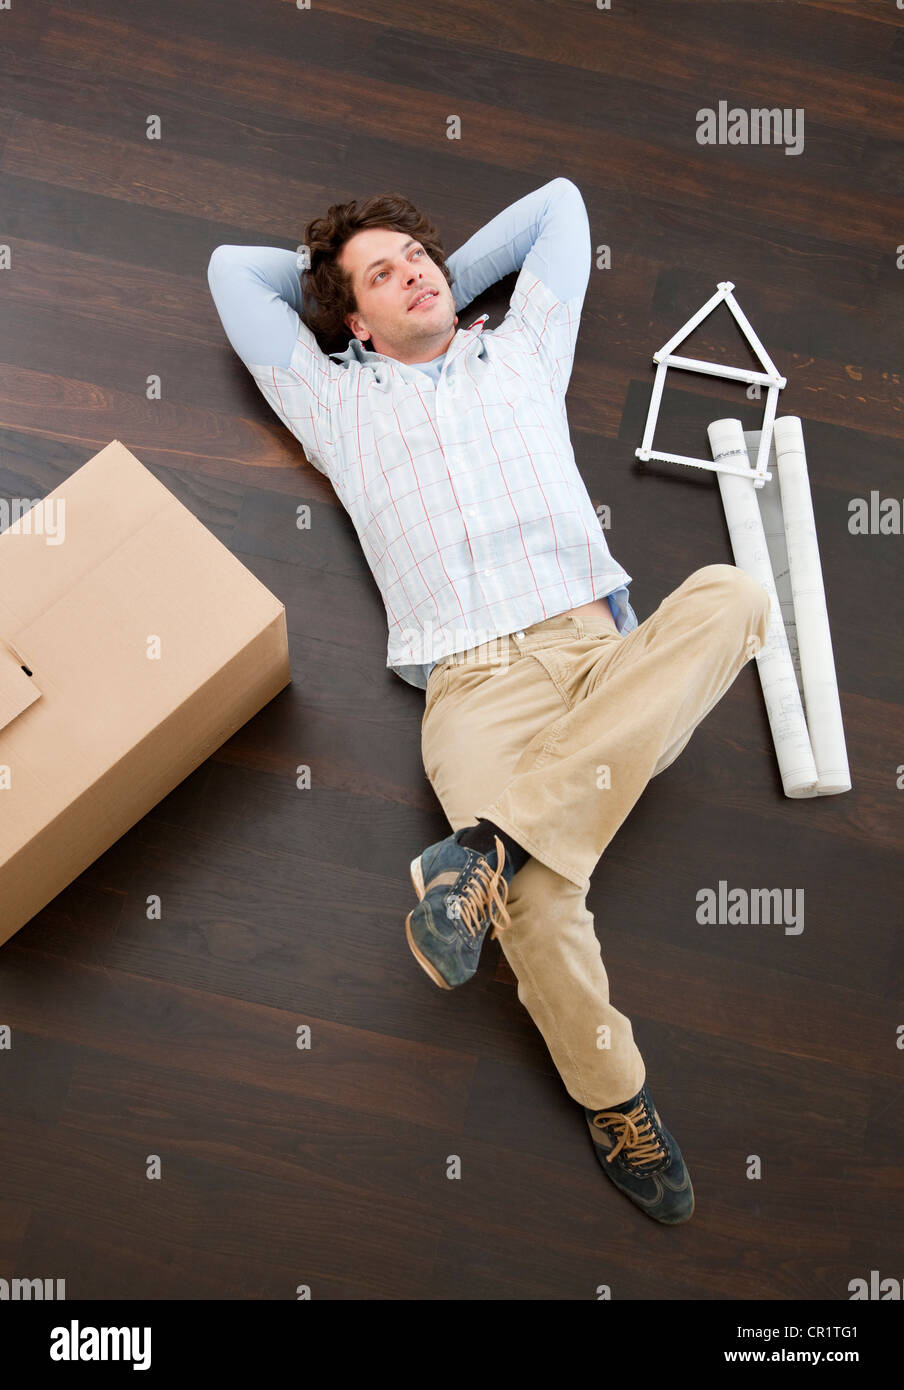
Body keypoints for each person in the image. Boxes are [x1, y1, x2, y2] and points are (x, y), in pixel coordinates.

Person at [207, 178, 771, 1225]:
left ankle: (486, 850)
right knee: (541, 908)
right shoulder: (330, 398)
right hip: (472, 685)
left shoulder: (521, 350)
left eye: (420, 257)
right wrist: (340, 290)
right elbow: (229, 274)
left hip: (597, 648)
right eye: (384, 274)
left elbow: (560, 205)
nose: (415, 270)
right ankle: (619, 1098)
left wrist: (431, 285)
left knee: (737, 595)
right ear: (349, 322)